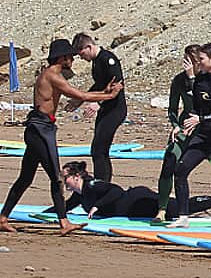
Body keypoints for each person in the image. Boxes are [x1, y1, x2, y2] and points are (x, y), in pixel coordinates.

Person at [0, 39, 122, 234]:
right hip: (40, 130)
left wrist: (103, 92)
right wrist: (109, 96)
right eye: (70, 57)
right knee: (57, 178)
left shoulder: (51, 74)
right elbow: (79, 95)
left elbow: (77, 94)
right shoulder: (52, 75)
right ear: (61, 58)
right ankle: (64, 222)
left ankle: (3, 217)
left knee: (25, 178)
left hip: (39, 129)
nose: (73, 60)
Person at [156, 45, 211, 221]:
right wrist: (175, 125)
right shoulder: (179, 80)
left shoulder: (209, 79)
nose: (189, 64)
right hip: (185, 129)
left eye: (194, 61)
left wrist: (192, 79)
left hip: (207, 131)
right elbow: (173, 109)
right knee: (170, 163)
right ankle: (162, 209)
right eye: (186, 61)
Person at [61, 160, 211, 219]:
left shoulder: (92, 185)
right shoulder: (80, 194)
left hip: (137, 201)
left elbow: (116, 191)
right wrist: (42, 215)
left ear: (76, 176)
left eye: (65, 178)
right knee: (177, 208)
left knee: (180, 208)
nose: (64, 182)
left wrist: (97, 206)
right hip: (134, 210)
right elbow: (65, 207)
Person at [67, 33, 127, 183]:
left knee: (100, 149)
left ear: (88, 47)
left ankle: (103, 185)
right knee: (96, 149)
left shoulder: (108, 59)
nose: (81, 58)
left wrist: (97, 103)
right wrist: (80, 99)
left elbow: (117, 84)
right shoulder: (96, 62)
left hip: (115, 109)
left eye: (81, 54)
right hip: (106, 109)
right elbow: (99, 85)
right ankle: (101, 182)